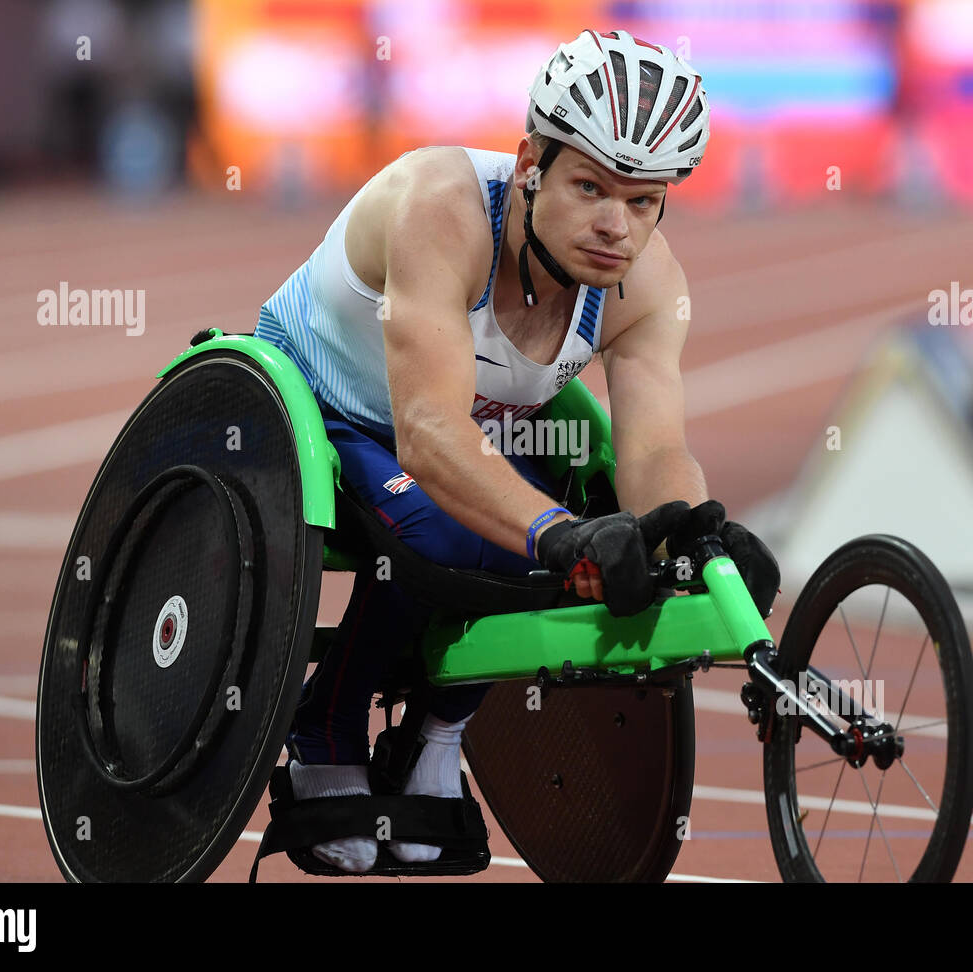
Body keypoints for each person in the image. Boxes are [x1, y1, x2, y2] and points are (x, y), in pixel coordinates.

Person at [252, 28, 778, 873]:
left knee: (595, 532)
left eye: (643, 203)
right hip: (328, 405)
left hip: (476, 421)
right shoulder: (442, 207)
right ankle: (325, 718)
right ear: (530, 160)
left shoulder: (648, 284)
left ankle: (438, 726)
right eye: (589, 188)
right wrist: (555, 534)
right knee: (484, 534)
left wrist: (694, 539)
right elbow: (426, 432)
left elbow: (652, 454)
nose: (616, 228)